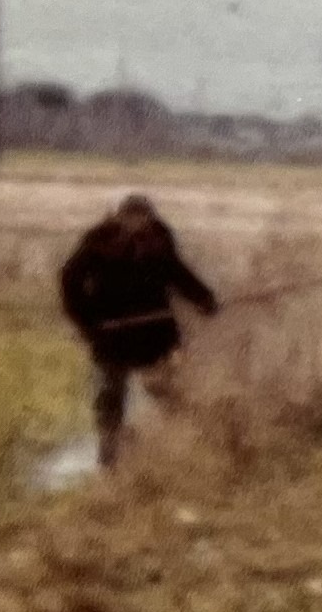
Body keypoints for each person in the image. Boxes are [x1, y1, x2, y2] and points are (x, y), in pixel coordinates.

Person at [58, 193, 219, 470]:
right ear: (119, 217)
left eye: (143, 217)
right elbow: (70, 279)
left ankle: (178, 446)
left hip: (154, 335)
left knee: (169, 391)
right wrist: (86, 320)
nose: (137, 223)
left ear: (150, 218)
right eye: (131, 217)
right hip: (111, 336)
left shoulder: (159, 238)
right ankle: (109, 456)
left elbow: (177, 273)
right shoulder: (99, 241)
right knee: (110, 398)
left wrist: (203, 298)